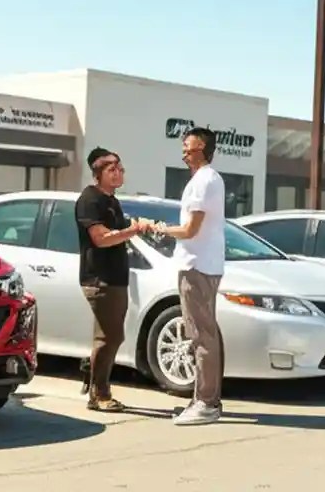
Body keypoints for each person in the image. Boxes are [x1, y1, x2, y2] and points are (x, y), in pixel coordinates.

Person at [155, 127, 227, 426]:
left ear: (203, 150)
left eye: (189, 147)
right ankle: (207, 399)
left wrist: (159, 228)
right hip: (203, 265)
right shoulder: (209, 180)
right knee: (204, 334)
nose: (184, 152)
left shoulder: (203, 181)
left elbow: (189, 230)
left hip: (197, 266)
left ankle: (206, 403)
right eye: (184, 147)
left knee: (201, 336)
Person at [76, 146, 150, 413]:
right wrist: (131, 231)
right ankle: (99, 393)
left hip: (116, 278)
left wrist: (136, 228)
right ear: (98, 173)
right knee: (111, 336)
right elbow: (100, 238)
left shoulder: (112, 200)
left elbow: (118, 233)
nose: (118, 172)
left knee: (108, 336)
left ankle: (93, 372)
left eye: (120, 168)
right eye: (111, 169)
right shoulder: (90, 200)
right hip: (99, 279)